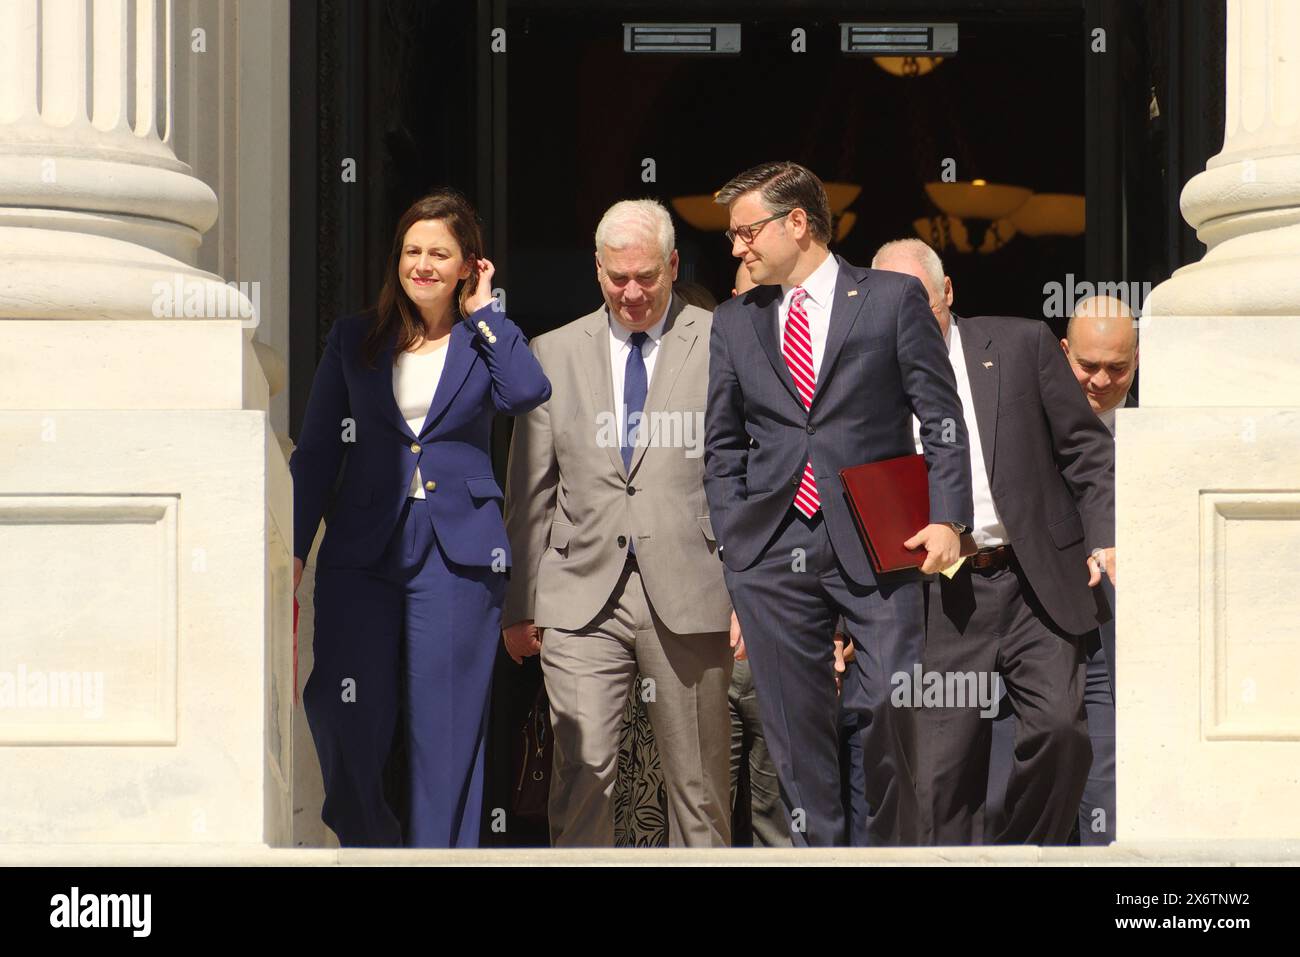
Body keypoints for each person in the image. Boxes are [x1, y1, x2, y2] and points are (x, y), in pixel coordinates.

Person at [705, 162, 974, 847]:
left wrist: (949, 516)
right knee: (795, 731)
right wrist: (736, 544)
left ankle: (879, 856)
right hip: (770, 549)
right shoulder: (735, 321)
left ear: (798, 222)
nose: (737, 249)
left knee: (886, 703)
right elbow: (723, 442)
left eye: (746, 232)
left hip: (879, 539)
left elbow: (940, 416)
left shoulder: (888, 299)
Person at [291, 190, 551, 848]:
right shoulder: (354, 338)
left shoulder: (483, 338)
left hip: (457, 558)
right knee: (342, 709)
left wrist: (486, 313)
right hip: (362, 553)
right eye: (413, 251)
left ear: (469, 264)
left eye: (441, 252)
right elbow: (320, 448)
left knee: (448, 733)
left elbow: (527, 391)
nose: (424, 264)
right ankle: (371, 844)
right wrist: (295, 547)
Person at [501, 198, 734, 847]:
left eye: (647, 277)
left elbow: (740, 473)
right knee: (581, 774)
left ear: (674, 264)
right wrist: (519, 601)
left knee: (699, 787)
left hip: (691, 588)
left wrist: (746, 587)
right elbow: (530, 490)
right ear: (597, 268)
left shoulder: (720, 342)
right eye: (617, 277)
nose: (631, 293)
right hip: (579, 594)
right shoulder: (550, 353)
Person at [870, 238, 1116, 845]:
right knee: (938, 777)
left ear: (948, 292)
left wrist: (1105, 537)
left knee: (1062, 733)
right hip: (940, 595)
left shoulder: (1019, 344)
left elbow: (1086, 450)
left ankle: (1022, 857)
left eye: (918, 304)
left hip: (1034, 578)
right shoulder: (861, 381)